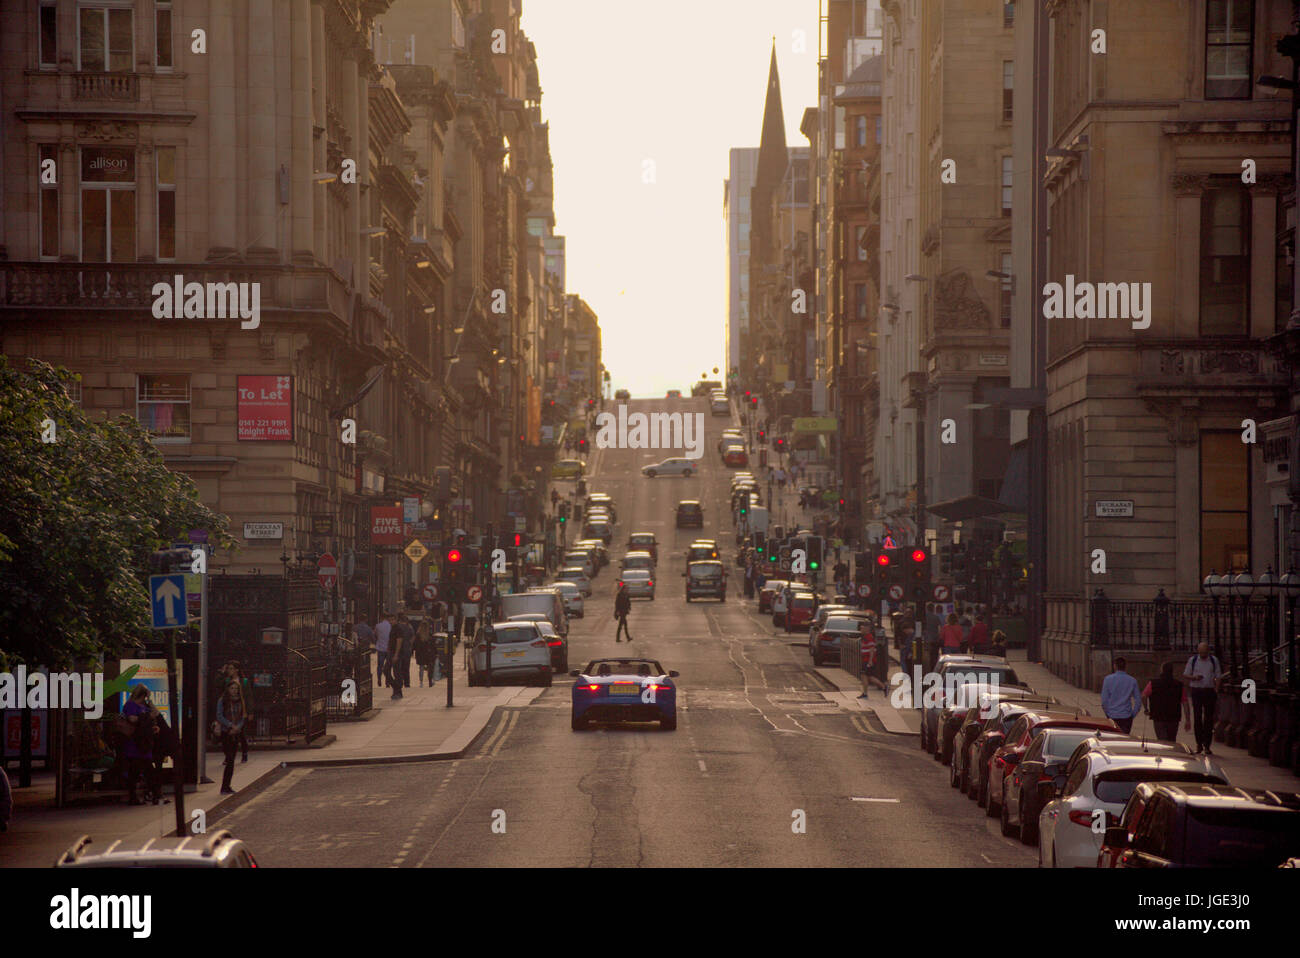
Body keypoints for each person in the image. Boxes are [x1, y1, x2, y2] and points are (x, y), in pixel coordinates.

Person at [1182, 642, 1223, 755]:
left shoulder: (1214, 660)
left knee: (1209, 719)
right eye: (1201, 653)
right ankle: (1199, 744)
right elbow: (1185, 674)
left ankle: (1207, 745)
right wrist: (1194, 677)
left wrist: (1216, 689)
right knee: (1197, 717)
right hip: (1197, 690)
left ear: (1208, 651)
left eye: (1204, 653)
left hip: (1209, 690)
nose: (1203, 655)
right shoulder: (1193, 660)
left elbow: (1218, 675)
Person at [121, 685, 157, 805]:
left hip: (144, 742)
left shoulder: (144, 706)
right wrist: (146, 717)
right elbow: (132, 719)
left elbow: (155, 713)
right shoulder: (130, 705)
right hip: (134, 743)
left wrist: (150, 702)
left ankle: (152, 795)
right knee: (139, 770)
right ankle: (154, 795)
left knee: (144, 770)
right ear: (142, 695)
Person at [1143, 662, 1191, 744]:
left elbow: (1144, 696)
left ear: (1161, 670)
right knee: (1172, 740)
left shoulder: (1153, 683)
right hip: (1174, 717)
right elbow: (1185, 703)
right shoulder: (1179, 685)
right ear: (1172, 671)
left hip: (1158, 716)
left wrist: (1146, 709)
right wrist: (1188, 720)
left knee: (1162, 740)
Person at [215, 680, 245, 794]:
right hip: (226, 732)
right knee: (230, 759)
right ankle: (224, 786)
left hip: (235, 732)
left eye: (236, 689)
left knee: (232, 760)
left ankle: (227, 785)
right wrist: (230, 725)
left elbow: (243, 716)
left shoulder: (240, 701)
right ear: (228, 689)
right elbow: (219, 716)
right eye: (232, 688)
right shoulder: (222, 700)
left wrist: (238, 727)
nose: (234, 691)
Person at [1100, 657, 1141, 734]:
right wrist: (1132, 714)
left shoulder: (1108, 679)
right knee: (1124, 737)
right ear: (1125, 666)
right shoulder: (1132, 680)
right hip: (1126, 716)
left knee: (1112, 737)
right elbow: (1138, 701)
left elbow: (1104, 700)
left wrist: (1108, 713)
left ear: (1115, 666)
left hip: (1112, 715)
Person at [388, 615, 409, 700]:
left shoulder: (398, 629)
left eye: (392, 620)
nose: (391, 621)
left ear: (396, 620)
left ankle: (398, 690)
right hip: (391, 652)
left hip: (396, 653)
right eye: (390, 620)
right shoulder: (393, 628)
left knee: (396, 671)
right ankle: (396, 687)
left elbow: (399, 641)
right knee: (386, 670)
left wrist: (396, 654)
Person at [394, 614, 415, 690]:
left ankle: (399, 682)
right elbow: (413, 637)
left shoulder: (397, 627)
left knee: (398, 667)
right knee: (406, 667)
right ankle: (407, 683)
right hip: (407, 650)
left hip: (399, 649)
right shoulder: (409, 628)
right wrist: (410, 644)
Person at [374, 612, 392, 687]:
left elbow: (375, 634)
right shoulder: (390, 626)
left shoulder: (378, 626)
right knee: (388, 666)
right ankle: (387, 681)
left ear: (381, 617)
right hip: (389, 648)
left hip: (380, 647)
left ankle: (379, 678)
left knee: (380, 665)